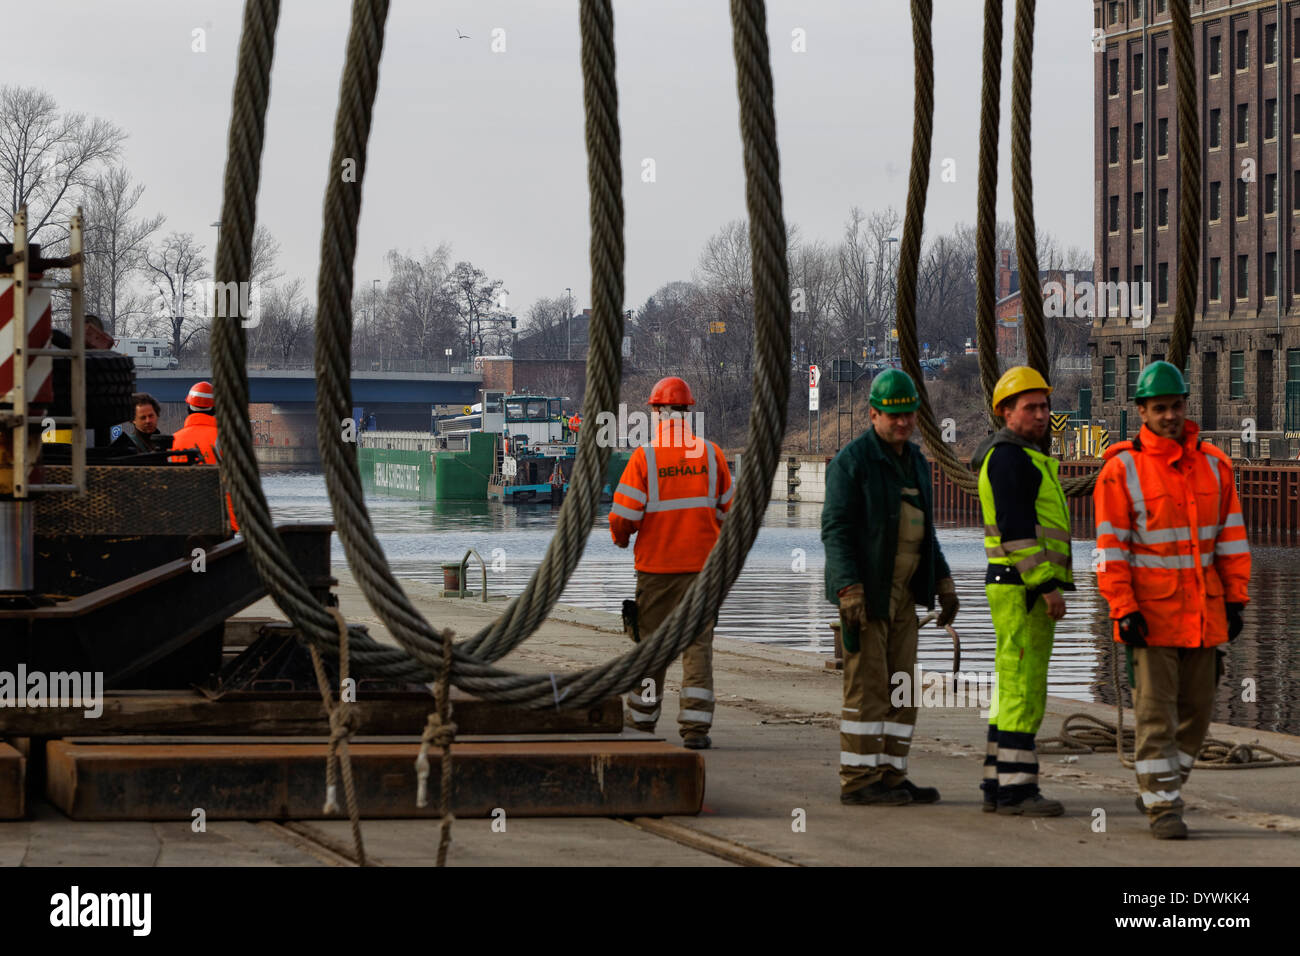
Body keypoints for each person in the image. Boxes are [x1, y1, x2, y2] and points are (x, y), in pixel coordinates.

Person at [1094, 361, 1250, 839]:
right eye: (1159, 408)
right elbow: (1110, 552)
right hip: (1150, 618)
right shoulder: (1121, 472)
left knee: (1199, 714)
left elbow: (1231, 541)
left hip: (1204, 616)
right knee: (1155, 715)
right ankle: (1163, 807)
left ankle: (1159, 785)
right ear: (1142, 411)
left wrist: (1236, 599)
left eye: (1175, 406)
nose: (1169, 416)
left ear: (1186, 406)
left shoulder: (1215, 466)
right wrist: (1123, 609)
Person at [821, 369, 959, 805]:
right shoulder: (853, 462)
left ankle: (891, 774)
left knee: (902, 687)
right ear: (873, 414)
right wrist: (848, 588)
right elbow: (836, 529)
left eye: (909, 416)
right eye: (893, 416)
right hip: (868, 596)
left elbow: (926, 531)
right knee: (868, 690)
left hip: (904, 598)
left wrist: (943, 581)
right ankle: (858, 782)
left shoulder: (915, 461)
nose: (903, 424)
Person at [969, 367, 1074, 816]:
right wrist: (1047, 585)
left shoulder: (1020, 456)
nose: (1041, 414)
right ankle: (1016, 792)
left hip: (1013, 588)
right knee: (1023, 688)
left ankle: (998, 782)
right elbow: (1016, 532)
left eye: (1044, 406)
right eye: (1030, 407)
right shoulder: (1011, 459)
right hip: (1023, 588)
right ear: (1005, 412)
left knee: (1011, 684)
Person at [608, 376, 732, 750]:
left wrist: (622, 538)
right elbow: (731, 514)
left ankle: (642, 724)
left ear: (657, 411)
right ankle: (695, 730)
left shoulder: (645, 457)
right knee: (697, 647)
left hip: (657, 571)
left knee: (651, 648)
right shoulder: (711, 454)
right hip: (703, 572)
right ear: (688, 410)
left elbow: (622, 516)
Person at [170, 380, 239, 533]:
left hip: (181, 521)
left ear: (189, 408)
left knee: (193, 557)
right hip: (220, 520)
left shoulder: (173, 440)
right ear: (215, 409)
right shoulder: (224, 439)